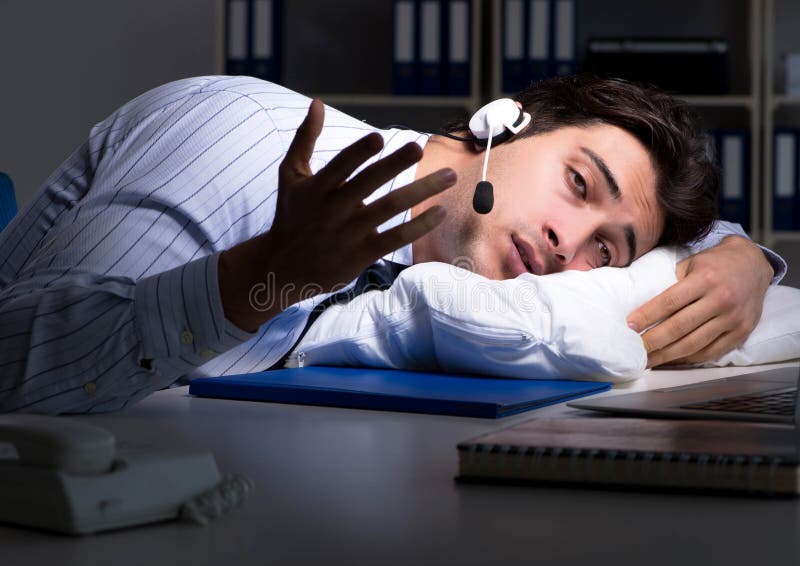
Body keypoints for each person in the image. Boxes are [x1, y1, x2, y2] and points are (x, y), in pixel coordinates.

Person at [0, 74, 784, 414]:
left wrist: (743, 257)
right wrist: (260, 279)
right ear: (500, 123)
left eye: (607, 252)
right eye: (578, 184)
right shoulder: (245, 141)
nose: (567, 244)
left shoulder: (436, 275)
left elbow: (686, 249)